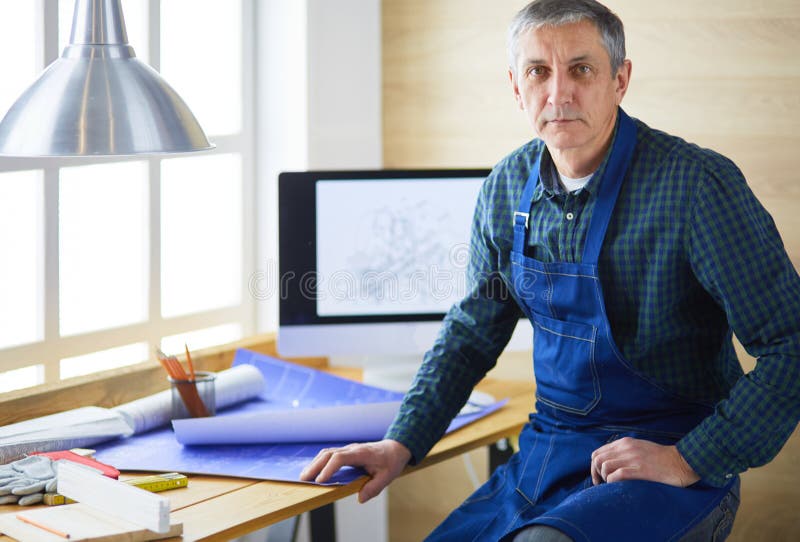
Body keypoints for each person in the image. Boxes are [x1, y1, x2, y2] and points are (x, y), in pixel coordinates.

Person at [301, 0, 800, 540]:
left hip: (671, 464)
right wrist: (400, 441)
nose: (558, 94)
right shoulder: (505, 188)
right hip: (549, 456)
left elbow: (791, 345)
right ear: (516, 87)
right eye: (538, 71)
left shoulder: (697, 187)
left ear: (620, 79)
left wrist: (687, 459)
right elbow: (470, 335)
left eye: (581, 69)